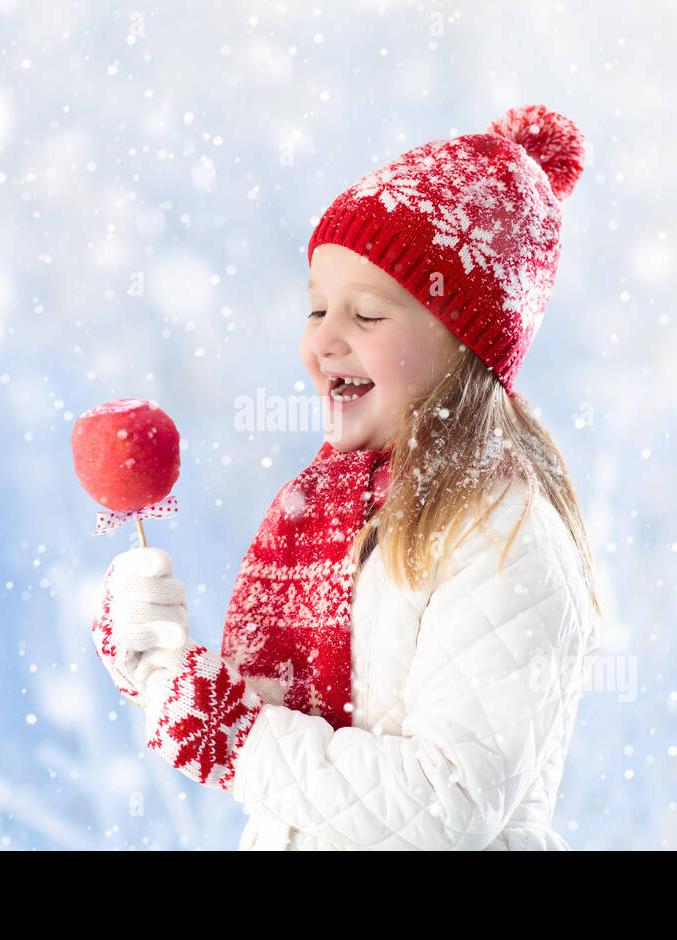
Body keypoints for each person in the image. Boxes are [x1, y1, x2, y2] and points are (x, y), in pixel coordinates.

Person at [91, 104, 605, 850]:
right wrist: (158, 667)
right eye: (317, 308)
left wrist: (232, 735)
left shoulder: (504, 535)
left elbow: (448, 801)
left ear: (464, 344)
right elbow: (293, 741)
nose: (323, 340)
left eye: (366, 316)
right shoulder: (341, 512)